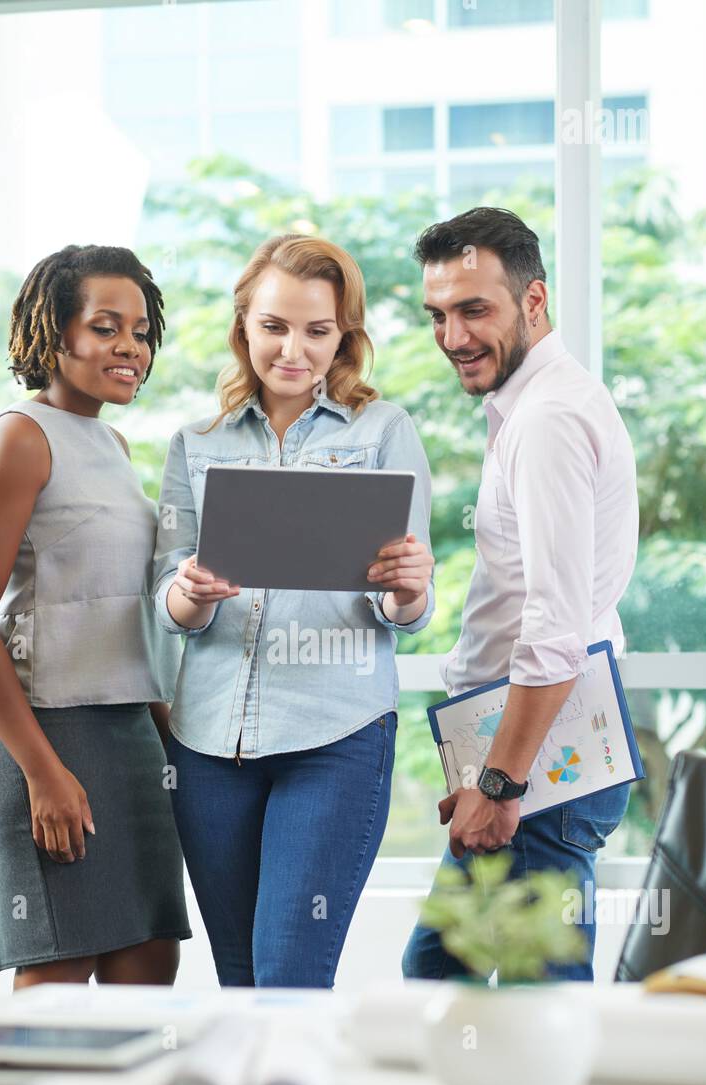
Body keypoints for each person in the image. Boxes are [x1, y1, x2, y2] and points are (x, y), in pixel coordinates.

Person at [154, 233, 434, 988]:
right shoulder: (196, 444)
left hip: (334, 737)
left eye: (318, 330)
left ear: (344, 334)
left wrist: (407, 586)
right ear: (243, 325)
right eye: (274, 326)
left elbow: (407, 611)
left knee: (289, 976)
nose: (294, 350)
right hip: (208, 745)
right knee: (241, 981)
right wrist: (187, 592)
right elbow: (165, 599)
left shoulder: (385, 433)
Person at [0, 244, 190, 989]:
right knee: (63, 967)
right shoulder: (20, 437)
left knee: (150, 957)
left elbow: (122, 610)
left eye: (142, 332)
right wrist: (43, 773)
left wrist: (166, 732)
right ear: (55, 335)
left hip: (126, 730)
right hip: (43, 730)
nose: (130, 349)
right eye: (106, 327)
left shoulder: (110, 443)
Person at [402, 207, 639, 984]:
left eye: (475, 310)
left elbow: (552, 624)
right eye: (438, 314)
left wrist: (500, 785)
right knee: (441, 980)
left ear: (532, 302)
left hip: (538, 767)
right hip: (527, 754)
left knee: (531, 999)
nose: (453, 337)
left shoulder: (547, 419)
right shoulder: (534, 406)